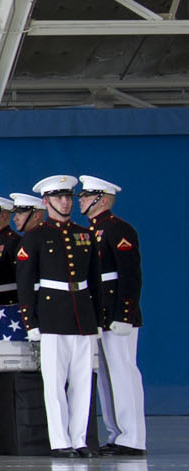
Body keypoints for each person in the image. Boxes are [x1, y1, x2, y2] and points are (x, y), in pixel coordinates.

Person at [18, 176, 99, 458]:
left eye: (68, 197)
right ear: (46, 201)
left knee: (82, 383)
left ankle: (79, 439)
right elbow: (25, 283)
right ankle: (60, 441)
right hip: (52, 316)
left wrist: (97, 320)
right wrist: (31, 322)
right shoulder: (36, 235)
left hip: (82, 315)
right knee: (54, 384)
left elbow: (94, 280)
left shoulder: (84, 234)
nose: (65, 202)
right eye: (59, 197)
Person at [81, 176, 144, 456]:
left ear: (102, 200)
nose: (80, 199)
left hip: (118, 315)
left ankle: (133, 438)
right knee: (107, 376)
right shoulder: (93, 230)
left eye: (87, 195)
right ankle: (117, 434)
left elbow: (130, 276)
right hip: (100, 315)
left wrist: (124, 313)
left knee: (123, 373)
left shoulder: (119, 229)